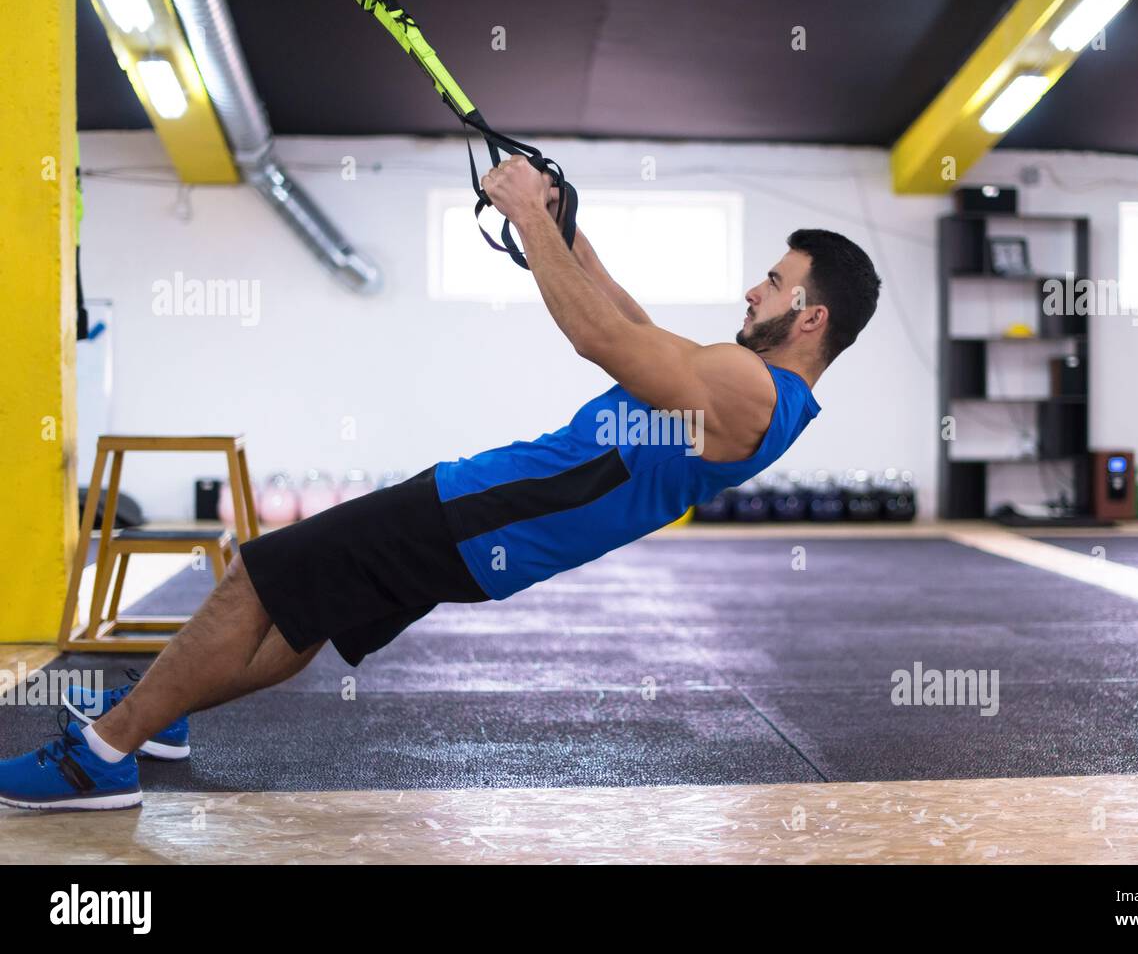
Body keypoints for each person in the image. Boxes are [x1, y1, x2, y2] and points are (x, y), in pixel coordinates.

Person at [0, 156, 880, 810]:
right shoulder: (769, 395)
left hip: (481, 510)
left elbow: (598, 340)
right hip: (497, 535)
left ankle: (102, 756)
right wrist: (564, 223)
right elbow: (633, 323)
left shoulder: (752, 387)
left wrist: (530, 221)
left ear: (812, 315)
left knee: (256, 574)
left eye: (772, 282)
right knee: (309, 615)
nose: (752, 290)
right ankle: (166, 709)